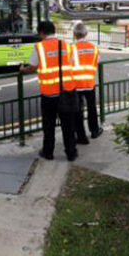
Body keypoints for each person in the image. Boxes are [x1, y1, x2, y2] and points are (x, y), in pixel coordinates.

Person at [20, 20, 79, 161]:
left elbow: (32, 67)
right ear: (54, 31)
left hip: (49, 94)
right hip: (67, 91)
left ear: (41, 33)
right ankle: (71, 153)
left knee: (49, 125)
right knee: (68, 125)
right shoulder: (67, 45)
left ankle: (48, 152)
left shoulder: (39, 47)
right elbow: (72, 63)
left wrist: (23, 70)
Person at [72, 22, 103, 144]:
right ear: (86, 34)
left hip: (75, 84)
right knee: (92, 108)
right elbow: (97, 61)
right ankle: (94, 131)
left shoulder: (71, 49)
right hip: (89, 83)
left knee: (78, 110)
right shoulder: (94, 48)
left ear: (74, 34)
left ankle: (81, 136)